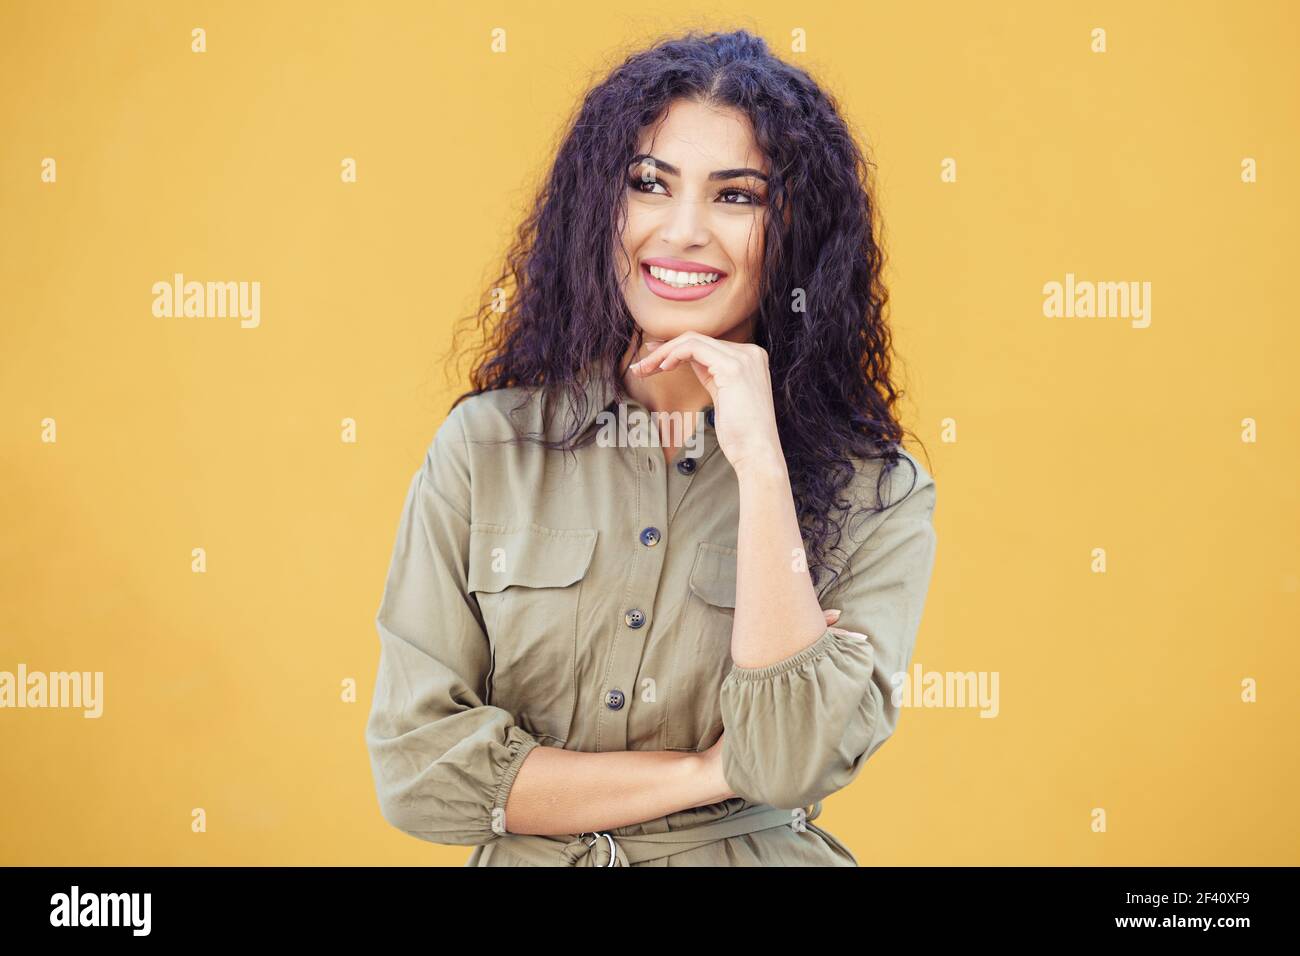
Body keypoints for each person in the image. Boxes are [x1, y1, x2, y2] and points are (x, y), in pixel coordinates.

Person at [364, 28, 938, 866]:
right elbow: (419, 775)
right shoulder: (485, 448)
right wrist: (710, 771)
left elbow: (790, 761)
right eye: (648, 185)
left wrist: (763, 465)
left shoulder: (876, 491)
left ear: (797, 233)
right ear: (602, 207)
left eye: (737, 196)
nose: (683, 230)